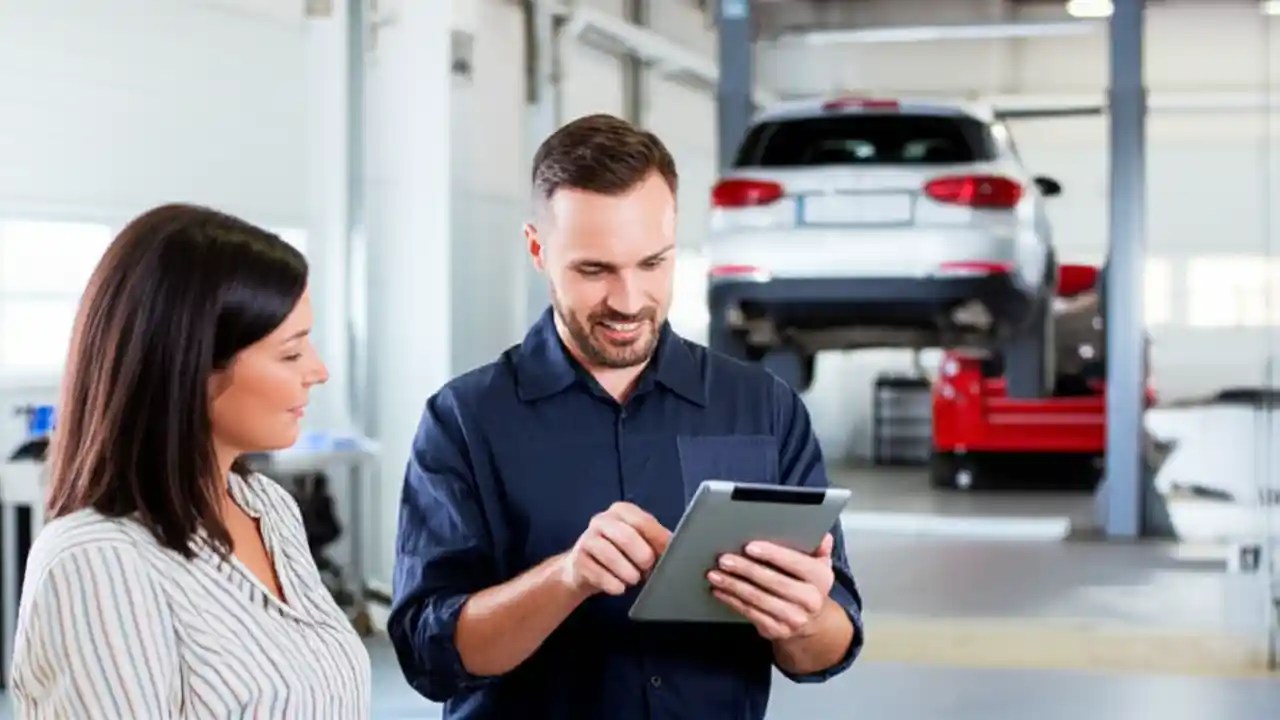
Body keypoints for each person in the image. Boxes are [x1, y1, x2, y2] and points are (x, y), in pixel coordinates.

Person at [389, 114, 863, 719]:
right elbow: (429, 655)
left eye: (652, 264)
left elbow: (829, 644)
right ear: (538, 249)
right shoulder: (464, 420)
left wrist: (799, 619)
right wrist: (567, 578)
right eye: (594, 270)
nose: (629, 300)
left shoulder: (763, 408)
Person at [10, 204, 372, 718]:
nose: (318, 371)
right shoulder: (99, 562)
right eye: (290, 354)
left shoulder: (267, 508)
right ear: (190, 365)